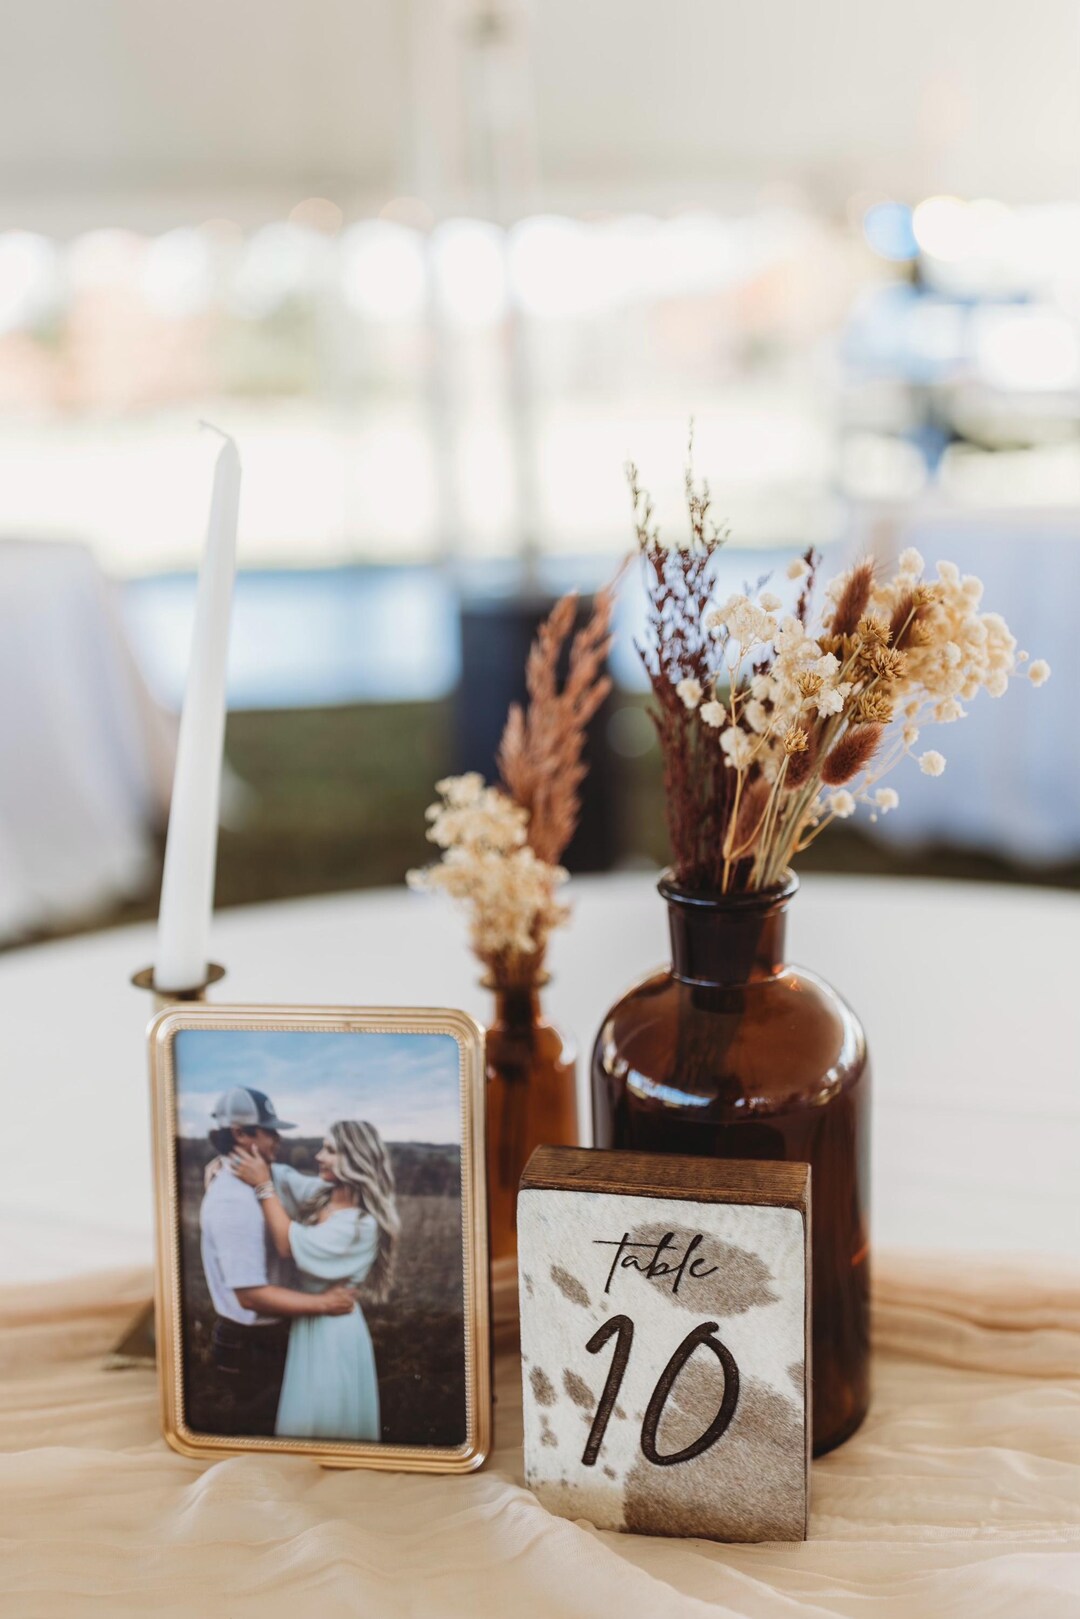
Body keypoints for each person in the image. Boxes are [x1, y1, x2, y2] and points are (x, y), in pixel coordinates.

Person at [198, 1087, 356, 1437]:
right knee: (265, 1436)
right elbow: (250, 1295)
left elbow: (327, 1191)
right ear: (241, 1134)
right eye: (268, 1130)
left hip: (274, 1333)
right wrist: (324, 1304)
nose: (277, 1137)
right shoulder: (231, 1203)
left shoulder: (274, 1175)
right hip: (251, 1342)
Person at [230, 1119, 400, 1442]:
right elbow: (281, 1174)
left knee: (324, 1416)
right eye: (323, 1148)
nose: (319, 1157)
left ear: (356, 1157)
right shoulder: (324, 1196)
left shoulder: (361, 1225)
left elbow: (285, 1242)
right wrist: (226, 1169)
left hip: (334, 1331)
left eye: (331, 1150)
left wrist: (263, 1186)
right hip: (312, 1322)